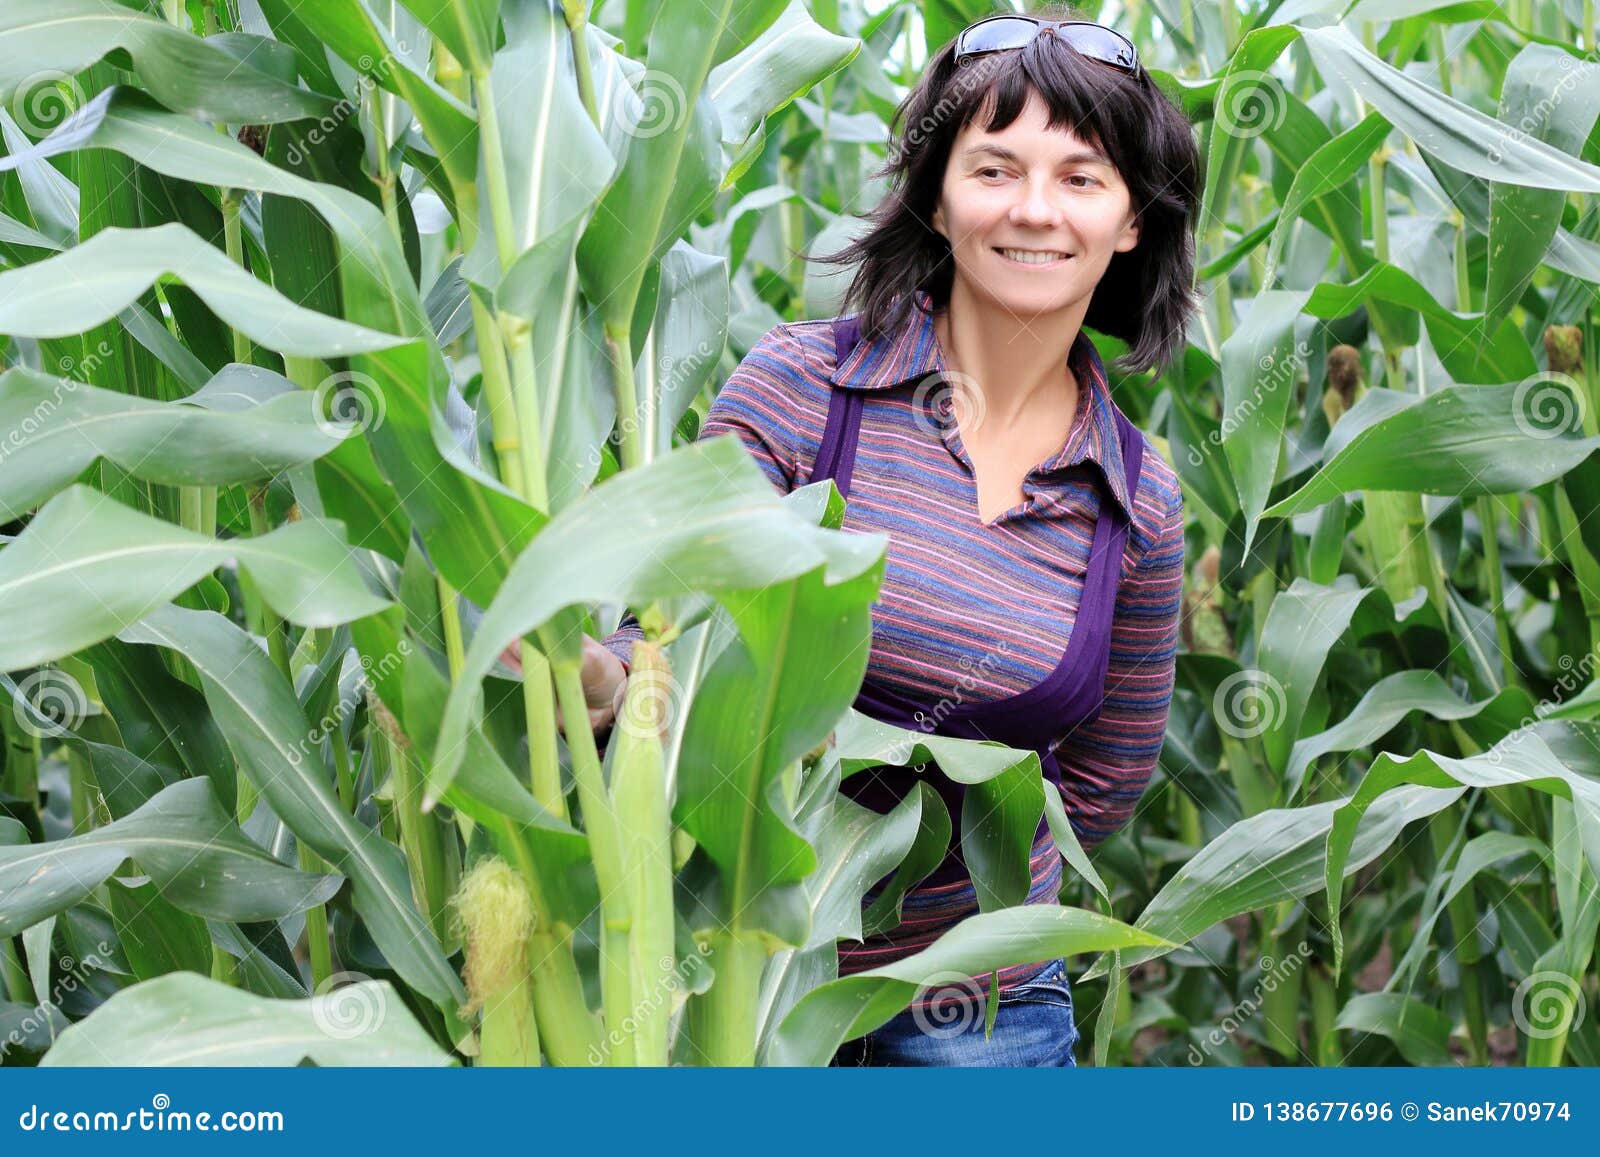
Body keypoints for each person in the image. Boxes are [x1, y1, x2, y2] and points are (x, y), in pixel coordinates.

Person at [565, 8, 1198, 1066]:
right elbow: (667, 643)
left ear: (1131, 220)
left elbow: (1100, 784)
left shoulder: (1138, 498)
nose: (1033, 210)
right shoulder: (806, 388)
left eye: (1081, 178)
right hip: (726, 982)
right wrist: (597, 681)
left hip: (977, 1018)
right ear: (937, 201)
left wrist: (945, 904)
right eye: (992, 170)